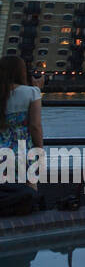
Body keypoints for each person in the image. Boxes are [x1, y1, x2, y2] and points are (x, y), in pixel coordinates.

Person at [0, 57, 43, 209]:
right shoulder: (31, 92)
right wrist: (40, 149)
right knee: (30, 185)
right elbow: (35, 126)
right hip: (23, 148)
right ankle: (28, 221)